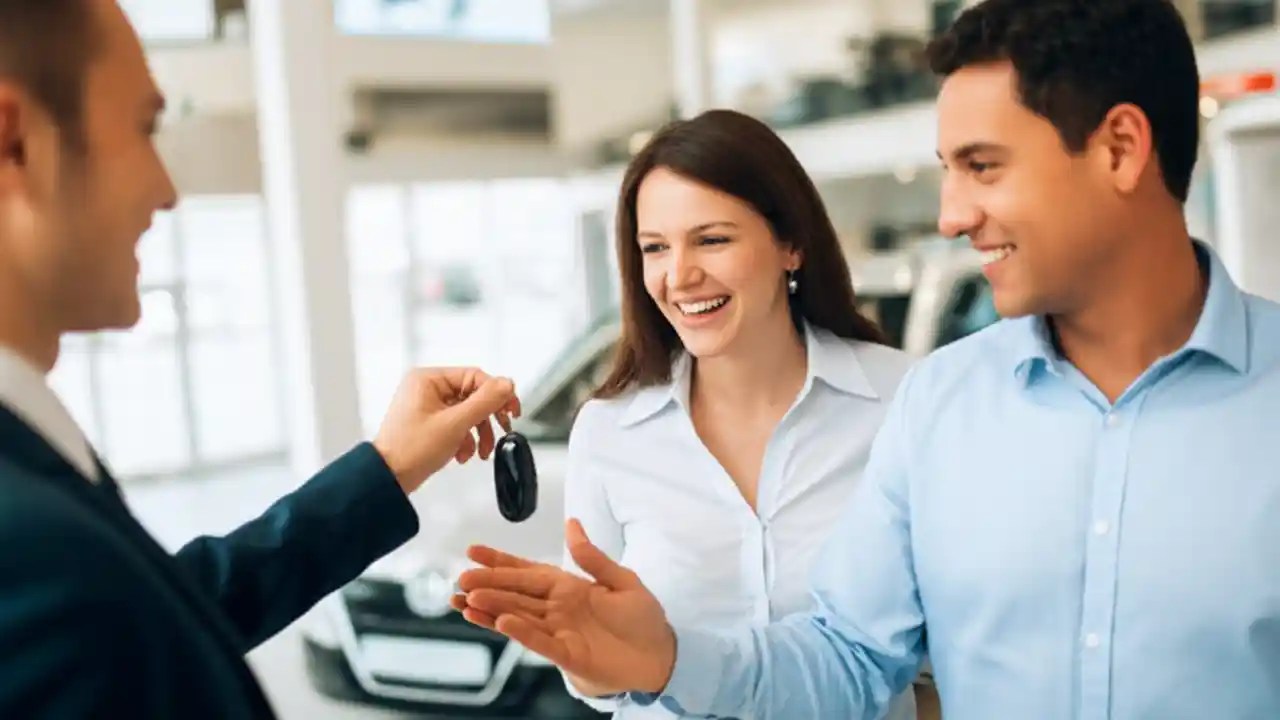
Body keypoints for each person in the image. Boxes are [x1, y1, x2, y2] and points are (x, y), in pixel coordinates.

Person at [453, 0, 1280, 718]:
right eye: (947, 171)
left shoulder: (895, 395)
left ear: (1121, 148)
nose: (952, 216)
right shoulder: (943, 406)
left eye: (983, 167)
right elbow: (849, 660)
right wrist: (668, 661)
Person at [0, 1, 518, 717]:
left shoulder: (30, 483)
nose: (167, 190)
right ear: (14, 141)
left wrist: (390, 467)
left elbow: (159, 618)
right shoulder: (24, 544)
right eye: (146, 128)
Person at [539, 110, 921, 718]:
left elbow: (931, 648)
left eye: (712, 239)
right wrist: (592, 663)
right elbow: (596, 678)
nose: (680, 275)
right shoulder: (609, 432)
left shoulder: (903, 399)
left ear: (791, 244)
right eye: (655, 248)